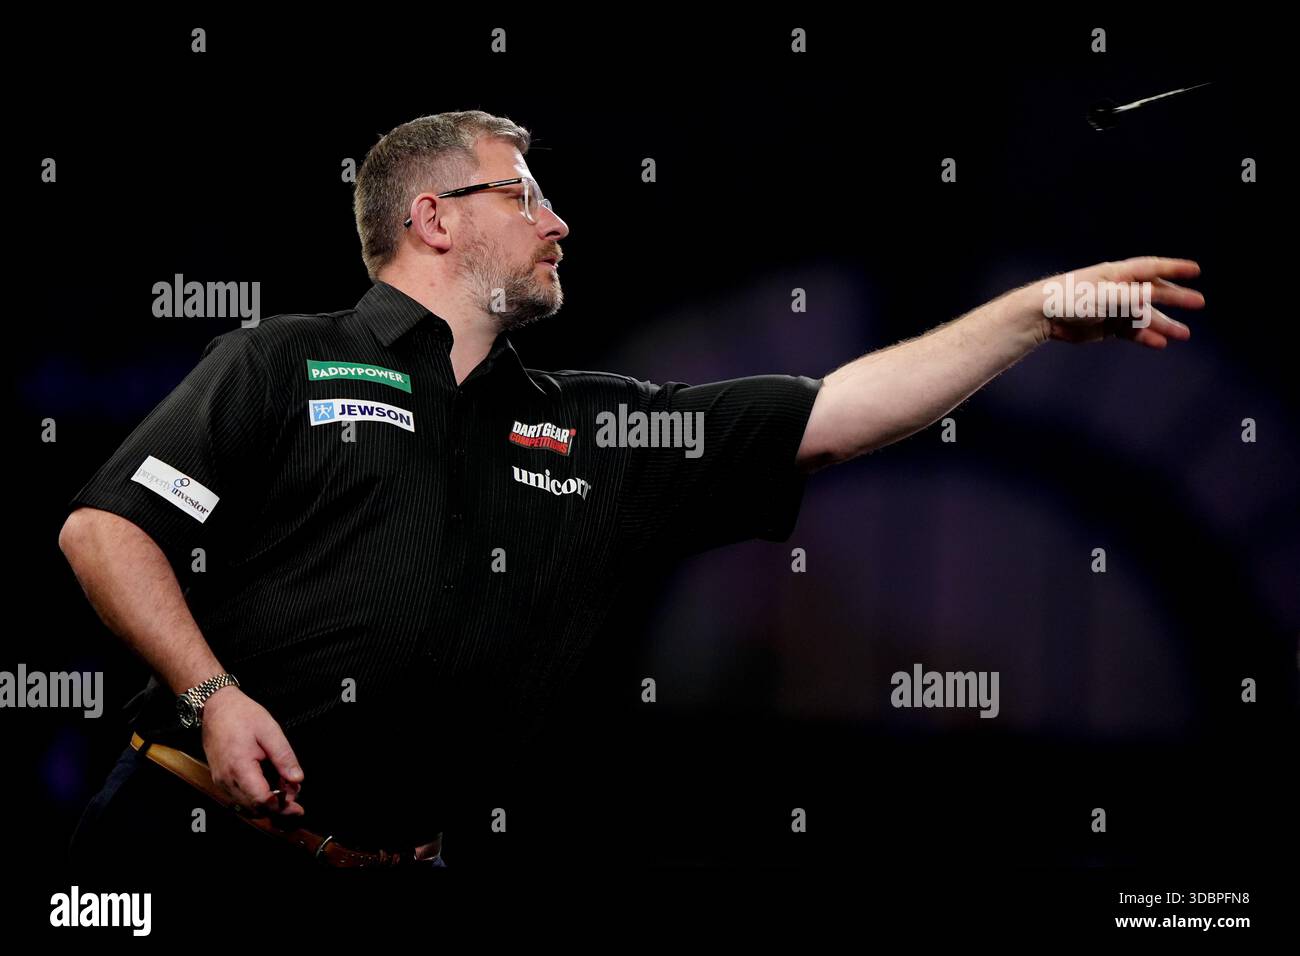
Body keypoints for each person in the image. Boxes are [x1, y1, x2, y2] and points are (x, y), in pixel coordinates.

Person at [58, 109, 1205, 875]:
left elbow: (834, 411)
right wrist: (210, 689)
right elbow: (106, 527)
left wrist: (1030, 313)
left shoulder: (593, 425)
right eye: (524, 195)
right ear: (433, 218)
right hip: (179, 837)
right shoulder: (282, 360)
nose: (558, 220)